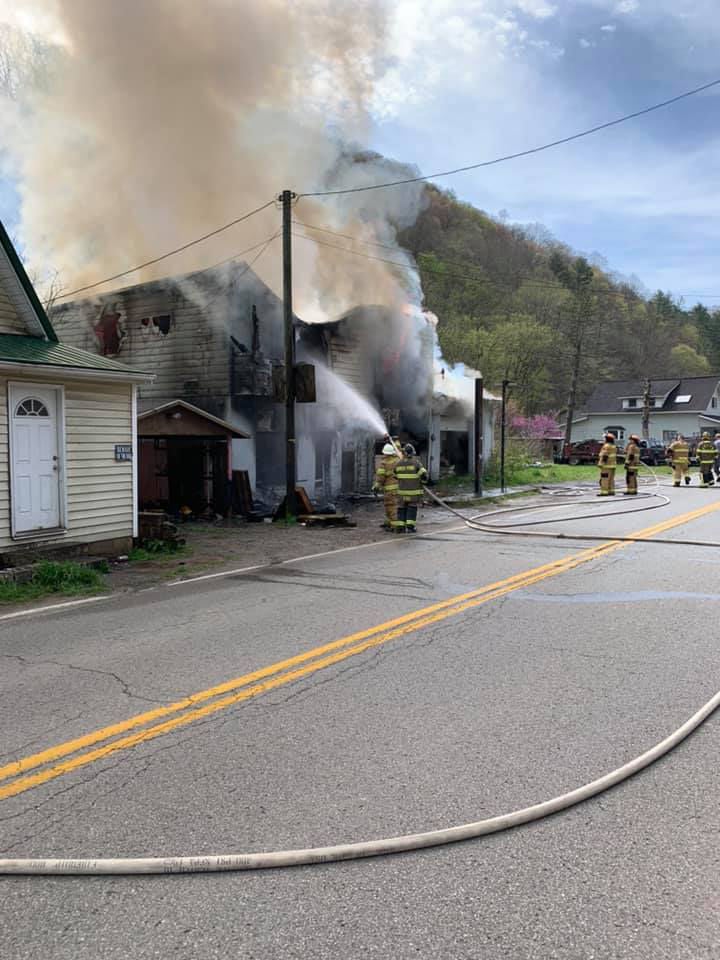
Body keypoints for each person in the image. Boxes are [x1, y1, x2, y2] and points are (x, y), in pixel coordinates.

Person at [393, 443, 428, 533]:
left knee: (401, 508)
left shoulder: (398, 463)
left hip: (401, 492)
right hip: (413, 492)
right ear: (412, 453)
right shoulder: (415, 463)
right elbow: (424, 475)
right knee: (412, 507)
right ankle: (410, 527)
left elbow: (395, 475)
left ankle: (401, 527)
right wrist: (424, 482)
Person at [372, 442, 402, 531]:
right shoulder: (398, 461)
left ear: (385, 453)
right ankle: (389, 523)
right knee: (396, 506)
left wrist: (376, 487)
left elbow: (380, 478)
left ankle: (395, 526)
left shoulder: (384, 463)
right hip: (400, 489)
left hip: (390, 491)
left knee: (391, 507)